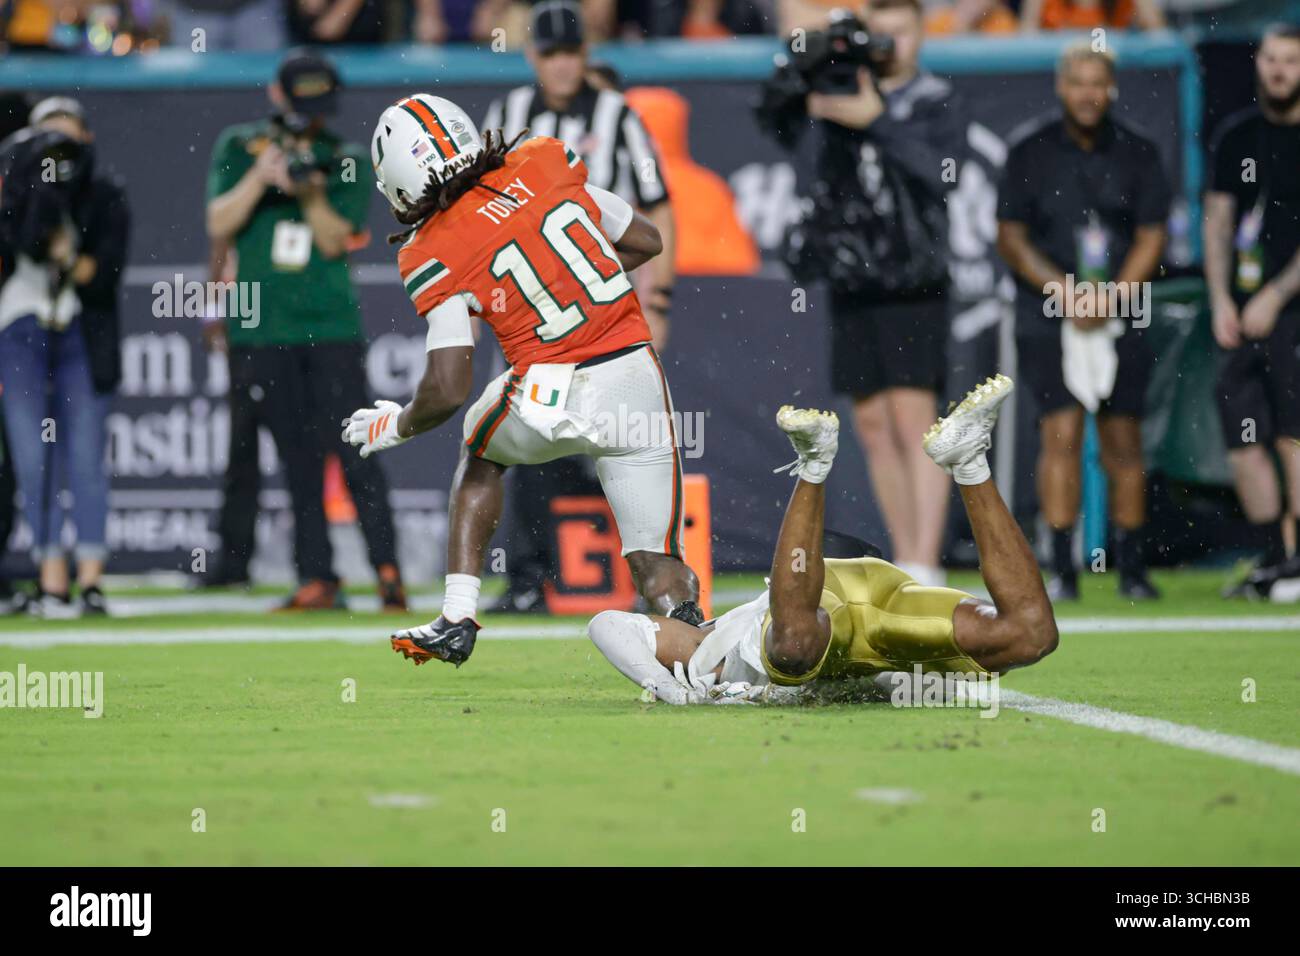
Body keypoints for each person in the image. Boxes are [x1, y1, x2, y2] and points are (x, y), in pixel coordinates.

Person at [346, 93, 701, 667]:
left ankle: (457, 617)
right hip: (636, 375)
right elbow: (645, 240)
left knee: (480, 449)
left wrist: (397, 426)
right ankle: (701, 659)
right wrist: (568, 282)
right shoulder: (542, 160)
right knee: (656, 563)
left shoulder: (429, 249)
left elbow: (447, 386)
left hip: (551, 388)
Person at [586, 375, 1059, 705]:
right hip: (884, 612)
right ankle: (969, 460)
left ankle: (813, 464)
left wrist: (670, 689)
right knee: (1031, 635)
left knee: (793, 646)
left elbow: (608, 626)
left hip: (827, 593)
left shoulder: (710, 648)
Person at [480, 1, 678, 612]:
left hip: (608, 314)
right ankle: (527, 578)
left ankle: (654, 581)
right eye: (551, 54)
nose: (562, 66)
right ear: (532, 57)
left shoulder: (621, 116)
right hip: (537, 319)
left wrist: (660, 299)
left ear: (585, 55)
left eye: (571, 53)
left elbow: (657, 206)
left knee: (629, 439)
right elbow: (479, 212)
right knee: (531, 437)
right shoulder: (507, 116)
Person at [205, 48, 406, 610]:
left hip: (330, 328)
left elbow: (336, 239)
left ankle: (387, 570)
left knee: (358, 449)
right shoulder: (238, 146)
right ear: (278, 94)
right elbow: (219, 221)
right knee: (297, 459)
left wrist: (309, 190)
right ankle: (317, 576)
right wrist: (260, 177)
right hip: (263, 330)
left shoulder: (346, 158)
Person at [796, 0, 963, 587]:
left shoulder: (935, 99)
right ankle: (906, 555)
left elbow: (943, 172)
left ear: (920, 34)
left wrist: (875, 119)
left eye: (901, 33)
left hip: (914, 279)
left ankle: (926, 559)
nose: (891, 45)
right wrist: (809, 71)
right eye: (880, 34)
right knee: (871, 422)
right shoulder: (839, 89)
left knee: (914, 417)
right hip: (855, 278)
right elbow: (780, 124)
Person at [996, 43, 1169, 602]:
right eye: (1078, 83)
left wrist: (1115, 296)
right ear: (1061, 86)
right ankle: (1063, 569)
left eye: (1098, 83)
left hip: (1124, 308)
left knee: (1123, 438)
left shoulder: (1139, 152)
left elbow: (1152, 234)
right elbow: (1010, 237)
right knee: (1061, 434)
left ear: (1111, 87)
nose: (1088, 94)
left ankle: (1132, 569)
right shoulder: (1028, 152)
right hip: (1048, 310)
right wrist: (1064, 292)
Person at [0, 96, 130, 617]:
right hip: (20, 330)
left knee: (84, 457)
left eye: (66, 140)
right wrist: (34, 204)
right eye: (44, 141)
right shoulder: (11, 188)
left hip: (81, 334)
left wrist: (68, 250)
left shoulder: (104, 194)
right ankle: (51, 577)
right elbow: (20, 246)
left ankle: (91, 579)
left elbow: (104, 274)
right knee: (33, 458)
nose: (55, 154)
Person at [1204, 23, 1300, 599]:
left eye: (1291, 60)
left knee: (1294, 436)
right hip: (1241, 315)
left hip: (1293, 312)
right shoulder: (1236, 136)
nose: (1280, 70)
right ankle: (1274, 558)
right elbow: (1218, 221)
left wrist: (1277, 294)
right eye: (1271, 58)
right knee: (1244, 438)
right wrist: (1220, 297)